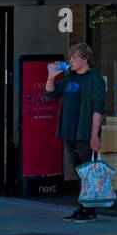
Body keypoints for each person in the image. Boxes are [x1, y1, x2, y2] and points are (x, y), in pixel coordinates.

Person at [46, 43, 106, 223]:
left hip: (85, 131)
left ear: (85, 58)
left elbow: (98, 109)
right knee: (79, 170)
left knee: (88, 170)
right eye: (70, 57)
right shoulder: (70, 76)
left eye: (74, 57)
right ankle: (82, 206)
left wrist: (94, 135)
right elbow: (51, 94)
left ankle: (90, 209)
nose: (70, 60)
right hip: (69, 130)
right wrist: (51, 77)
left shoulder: (94, 79)